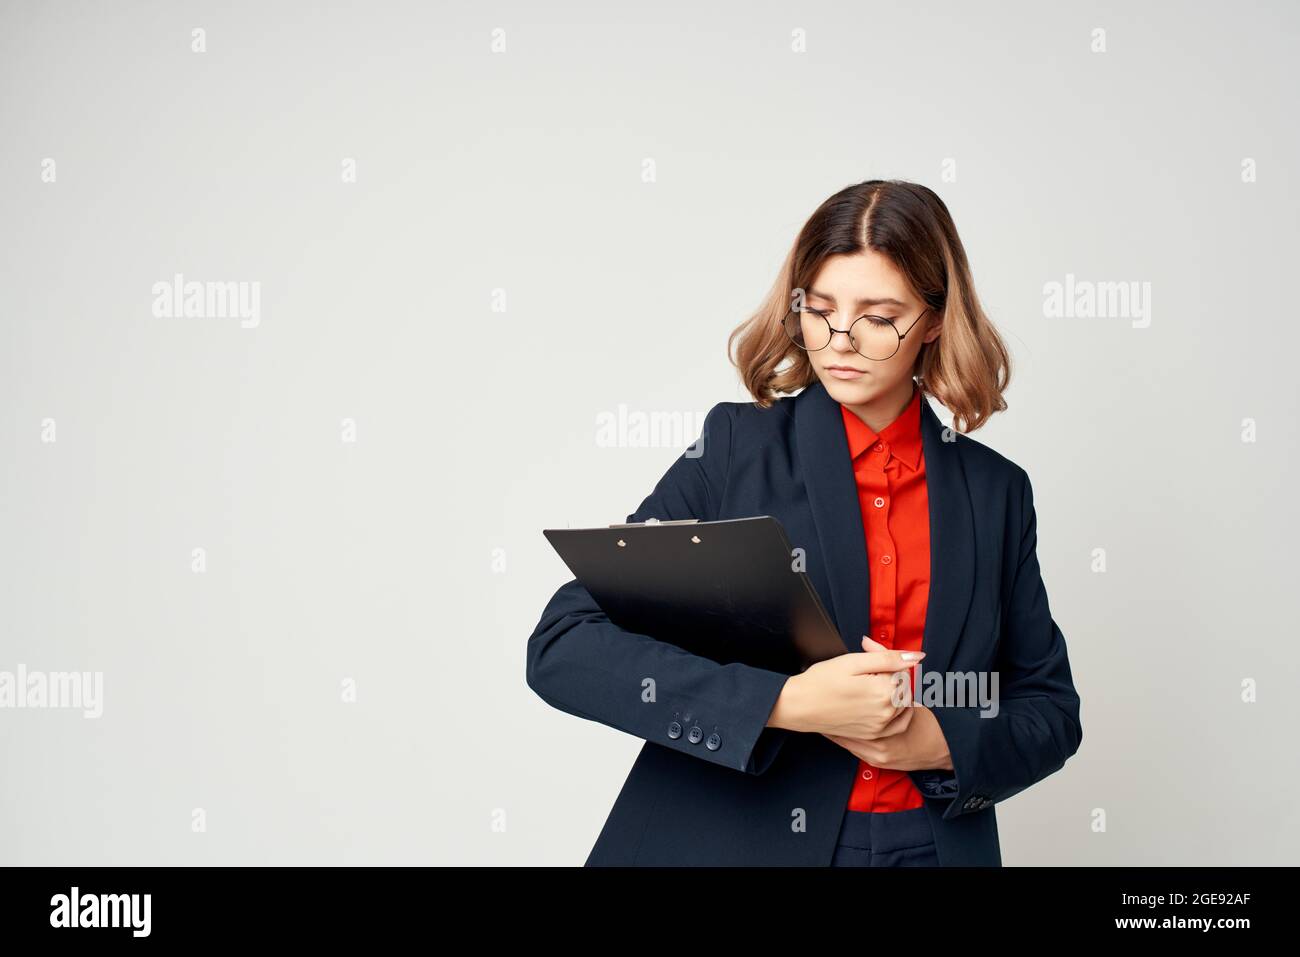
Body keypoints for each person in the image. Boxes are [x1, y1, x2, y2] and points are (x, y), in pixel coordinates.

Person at [525, 179, 1083, 866]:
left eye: (880, 317)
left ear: (935, 321)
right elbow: (565, 645)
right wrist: (787, 702)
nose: (840, 341)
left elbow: (1048, 709)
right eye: (819, 310)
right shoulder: (734, 450)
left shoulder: (997, 490)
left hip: (934, 848)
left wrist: (937, 739)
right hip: (745, 841)